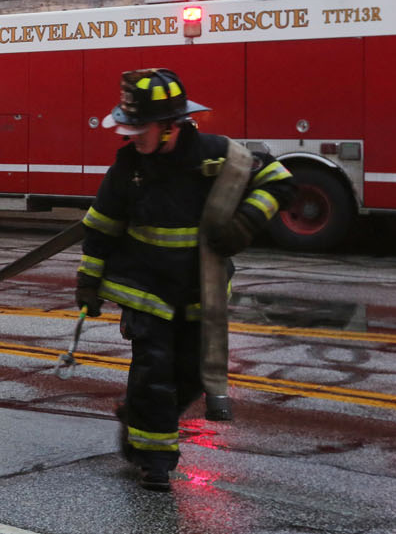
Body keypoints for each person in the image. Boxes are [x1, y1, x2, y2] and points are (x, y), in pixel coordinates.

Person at [76, 68, 295, 492]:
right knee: (153, 374)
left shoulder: (215, 156)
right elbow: (101, 226)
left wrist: (247, 221)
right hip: (147, 293)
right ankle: (154, 461)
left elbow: (278, 180)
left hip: (201, 293)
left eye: (139, 127)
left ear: (171, 126)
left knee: (193, 376)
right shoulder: (128, 167)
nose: (130, 135)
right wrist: (88, 282)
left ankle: (139, 418)